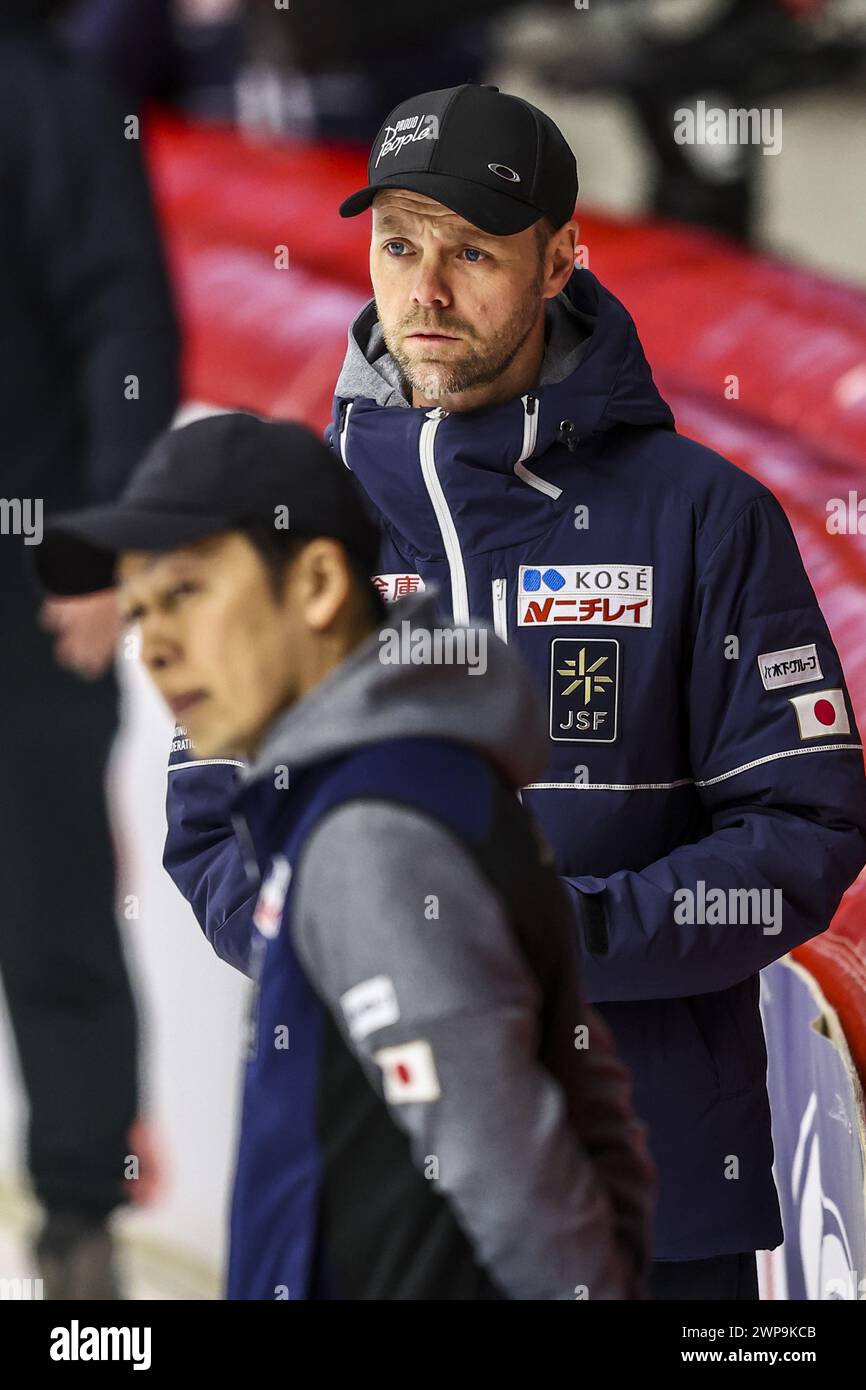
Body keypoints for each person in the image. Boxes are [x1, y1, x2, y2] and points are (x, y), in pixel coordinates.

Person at [157, 83, 866, 1301]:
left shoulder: (703, 519)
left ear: (559, 263)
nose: (424, 291)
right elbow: (214, 826)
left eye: (472, 251)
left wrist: (566, 941)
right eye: (398, 245)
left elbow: (799, 837)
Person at [34, 412, 654, 1300]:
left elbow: (526, 1198)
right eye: (138, 612)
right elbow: (588, 1108)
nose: (157, 648)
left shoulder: (372, 834)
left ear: (320, 584)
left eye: (186, 593)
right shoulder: (391, 782)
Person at [0, 0, 179, 1296]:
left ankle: (78, 1226)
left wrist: (101, 547)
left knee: (52, 896)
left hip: (28, 582)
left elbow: (125, 325)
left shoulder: (47, 101)